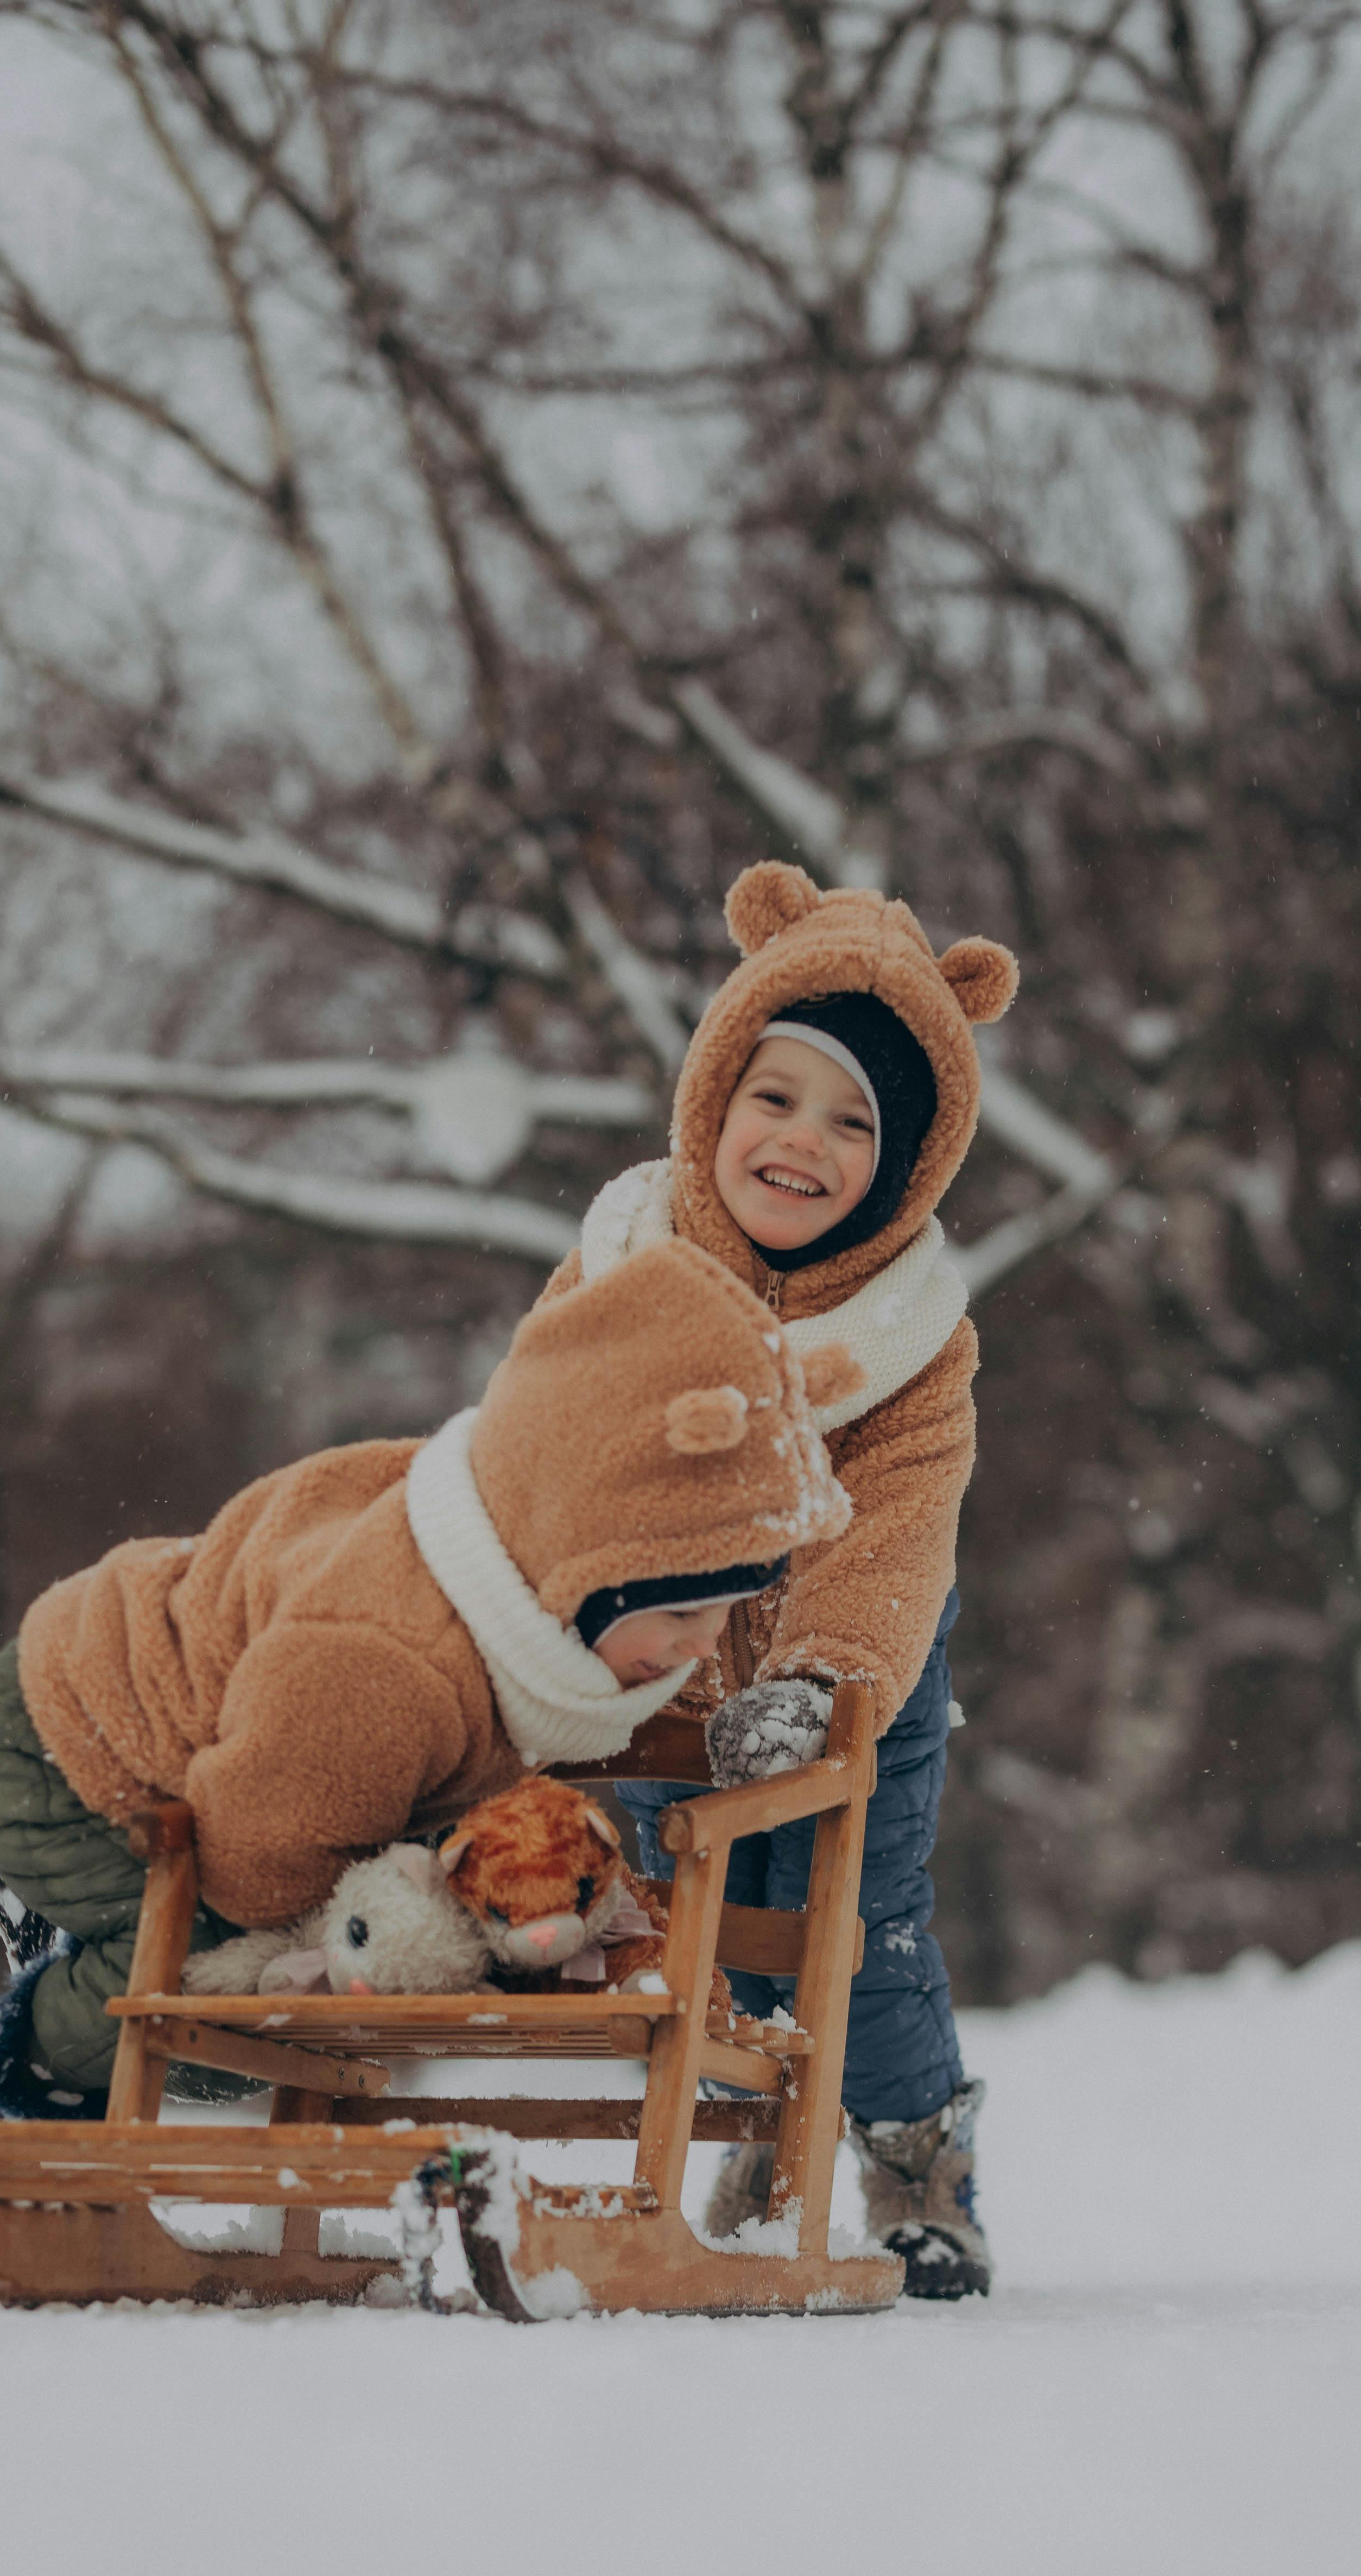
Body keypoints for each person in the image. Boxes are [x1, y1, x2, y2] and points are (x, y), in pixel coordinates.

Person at [0, 1241, 850, 2123]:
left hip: (177, 1746)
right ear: (577, 1573)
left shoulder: (502, 1571)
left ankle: (55, 1942)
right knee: (218, 2008)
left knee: (278, 1989)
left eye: (726, 1613)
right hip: (71, 1760)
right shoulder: (383, 1664)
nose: (701, 1646)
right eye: (682, 1612)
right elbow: (257, 1864)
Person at [542, 858, 1019, 2297]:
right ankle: (748, 2135)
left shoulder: (914, 1339)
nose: (803, 1140)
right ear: (713, 1102)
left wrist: (827, 1680)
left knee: (840, 1932)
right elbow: (540, 1442)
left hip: (853, 1671)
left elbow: (897, 1535)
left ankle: (915, 2163)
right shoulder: (620, 1269)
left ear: (909, 1161)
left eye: (854, 1121)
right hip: (657, 1660)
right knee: (678, 1925)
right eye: (776, 1096)